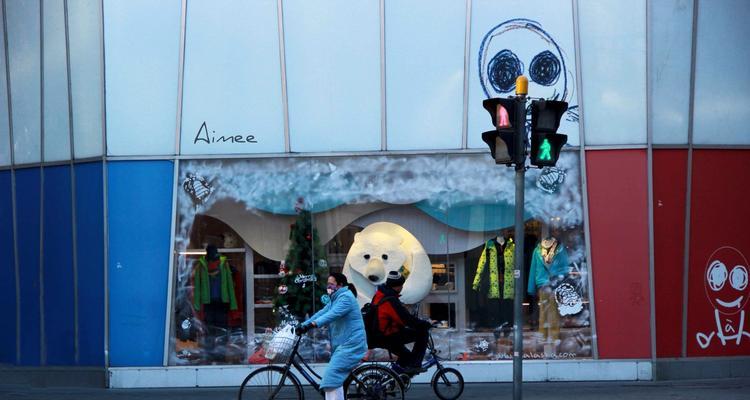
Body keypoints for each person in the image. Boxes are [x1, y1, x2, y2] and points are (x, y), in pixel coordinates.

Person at [296, 273, 367, 400]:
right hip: (344, 344)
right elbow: (322, 312)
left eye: (331, 284)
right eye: (327, 284)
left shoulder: (346, 298)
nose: (328, 287)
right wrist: (303, 325)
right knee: (335, 378)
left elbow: (332, 314)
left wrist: (312, 324)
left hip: (351, 344)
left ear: (340, 285)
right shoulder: (335, 298)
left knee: (331, 377)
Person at [372, 270, 432, 374]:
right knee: (422, 333)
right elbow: (406, 319)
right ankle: (415, 365)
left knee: (406, 357)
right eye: (401, 285)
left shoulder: (380, 294)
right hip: (388, 336)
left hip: (380, 335)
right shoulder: (390, 300)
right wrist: (424, 324)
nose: (402, 288)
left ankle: (392, 380)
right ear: (397, 286)